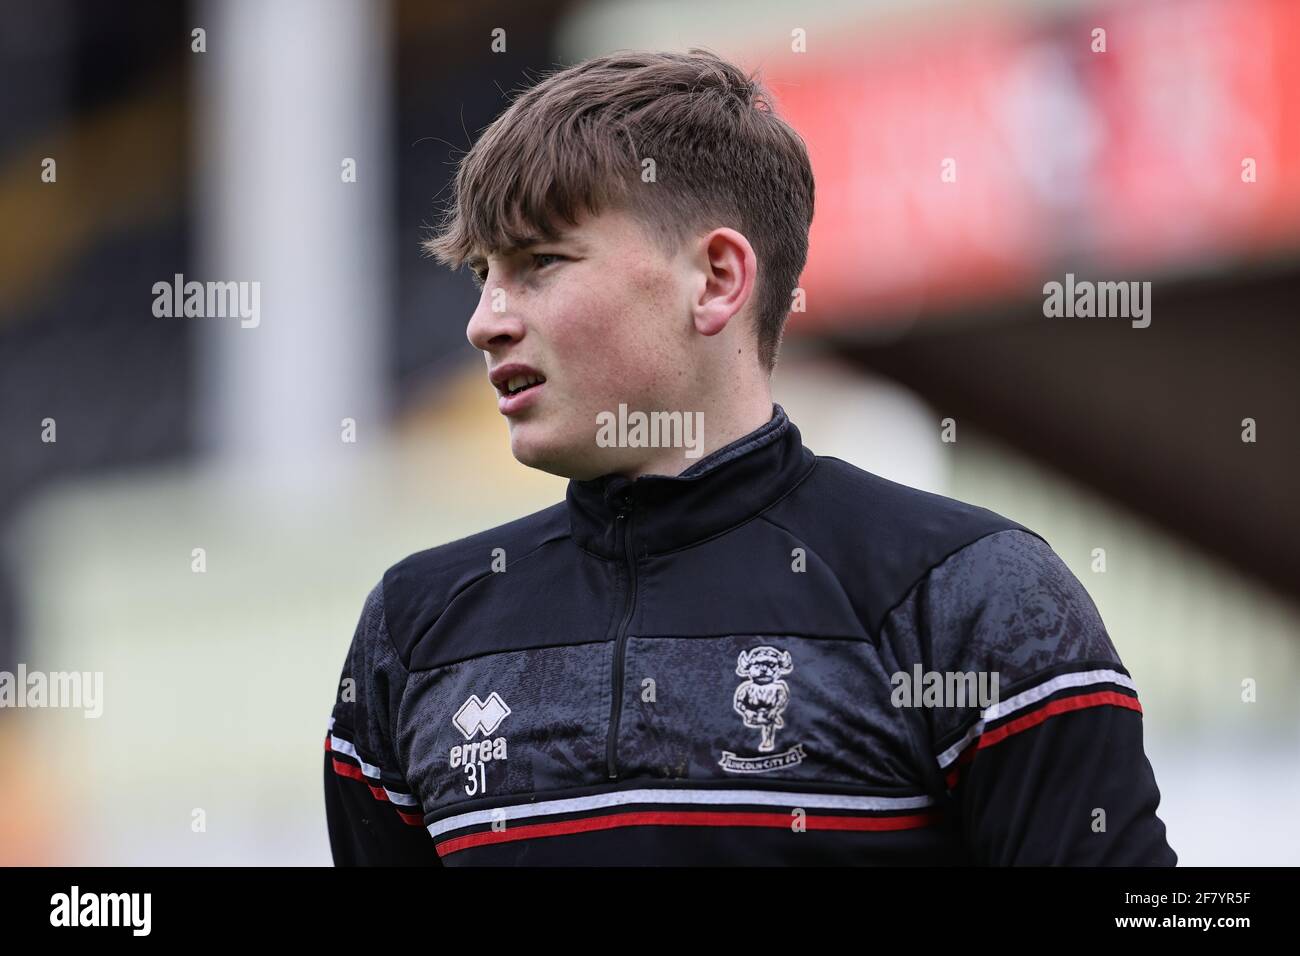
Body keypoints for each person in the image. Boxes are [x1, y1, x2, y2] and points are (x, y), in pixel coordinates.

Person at [324, 49, 1176, 866]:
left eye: (540, 262)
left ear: (719, 279)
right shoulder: (414, 629)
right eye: (481, 272)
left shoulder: (968, 594)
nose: (484, 320)